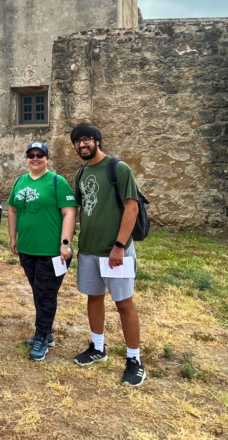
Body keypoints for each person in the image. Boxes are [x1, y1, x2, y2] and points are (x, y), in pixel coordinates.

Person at [70, 122, 146, 386]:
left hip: (116, 251)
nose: (82, 144)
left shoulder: (118, 168)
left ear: (97, 140)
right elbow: (81, 210)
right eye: (77, 141)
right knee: (94, 298)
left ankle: (134, 360)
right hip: (89, 250)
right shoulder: (80, 174)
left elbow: (132, 208)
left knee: (124, 303)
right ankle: (98, 348)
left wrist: (119, 246)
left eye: (86, 139)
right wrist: (78, 245)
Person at [8, 142, 77, 361]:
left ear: (47, 159)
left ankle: (41, 337)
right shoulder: (20, 181)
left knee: (46, 295)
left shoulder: (57, 182)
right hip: (28, 249)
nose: (35, 158)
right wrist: (12, 237)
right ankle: (46, 333)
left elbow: (69, 212)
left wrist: (65, 243)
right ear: (26, 158)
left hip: (52, 252)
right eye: (31, 155)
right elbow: (11, 208)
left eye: (40, 155)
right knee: (38, 292)